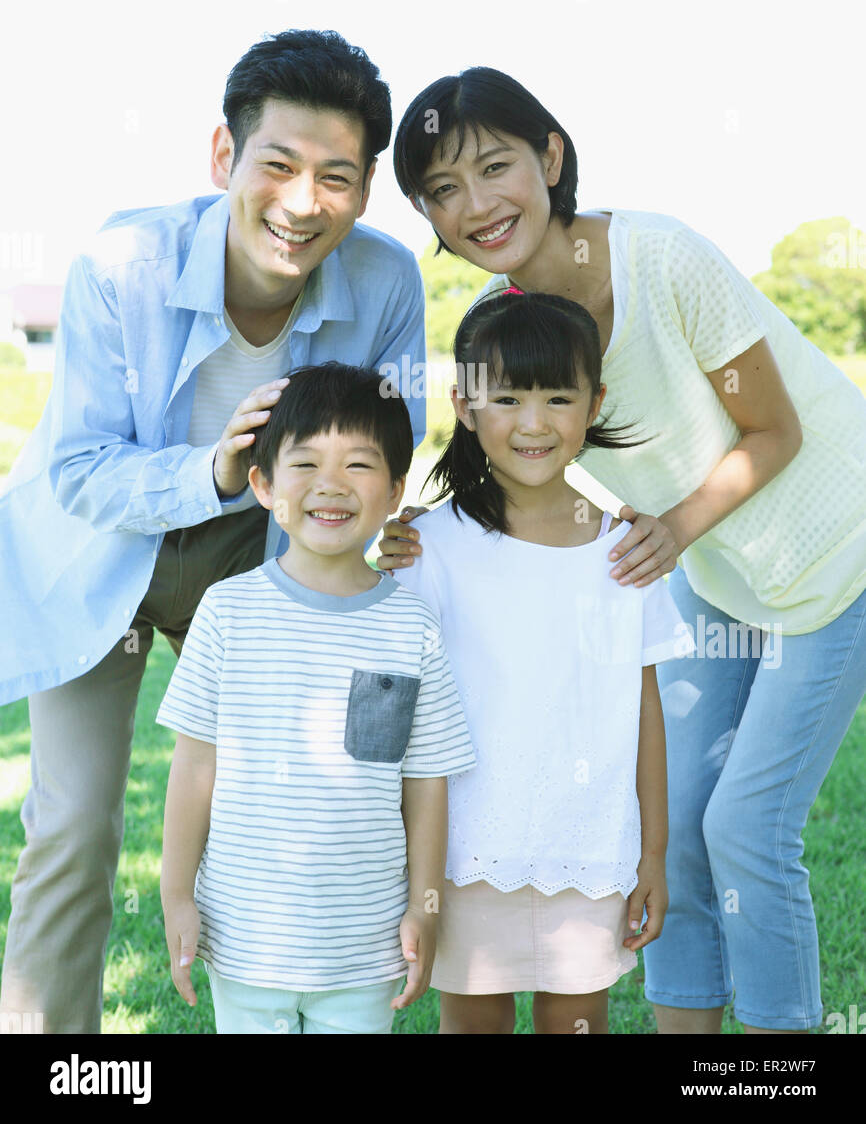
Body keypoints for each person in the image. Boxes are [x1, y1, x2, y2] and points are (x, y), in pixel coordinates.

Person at [380, 64, 866, 1035]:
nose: (473, 204)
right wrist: (408, 533)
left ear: (549, 157)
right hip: (712, 573)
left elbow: (771, 429)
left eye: (492, 167)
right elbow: (503, 454)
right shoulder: (524, 323)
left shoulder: (660, 258)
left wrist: (673, 530)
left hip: (835, 551)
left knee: (742, 828)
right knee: (675, 828)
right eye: (441, 189)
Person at [0, 30, 427, 1035]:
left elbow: (387, 449)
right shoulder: (119, 262)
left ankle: (305, 1005)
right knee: (71, 827)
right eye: (276, 163)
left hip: (261, 551)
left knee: (298, 797)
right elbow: (78, 470)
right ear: (221, 158)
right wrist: (214, 467)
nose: (300, 199)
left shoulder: (385, 281)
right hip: (96, 545)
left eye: (334, 175)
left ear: (364, 191)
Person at [387, 291, 692, 1034]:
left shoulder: (626, 553)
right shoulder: (429, 549)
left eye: (559, 397)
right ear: (464, 406)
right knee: (473, 1024)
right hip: (461, 850)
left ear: (595, 403)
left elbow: (647, 712)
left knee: (578, 1021)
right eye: (508, 398)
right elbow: (393, 711)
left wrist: (653, 853)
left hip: (587, 849)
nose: (534, 422)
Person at [157, 363, 474, 1034]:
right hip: (244, 941)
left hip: (362, 948)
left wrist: (425, 906)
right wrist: (176, 894)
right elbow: (194, 769)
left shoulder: (411, 628)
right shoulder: (227, 612)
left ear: (393, 490)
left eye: (358, 464)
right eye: (305, 463)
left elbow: (425, 783)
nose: (330, 484)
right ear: (265, 485)